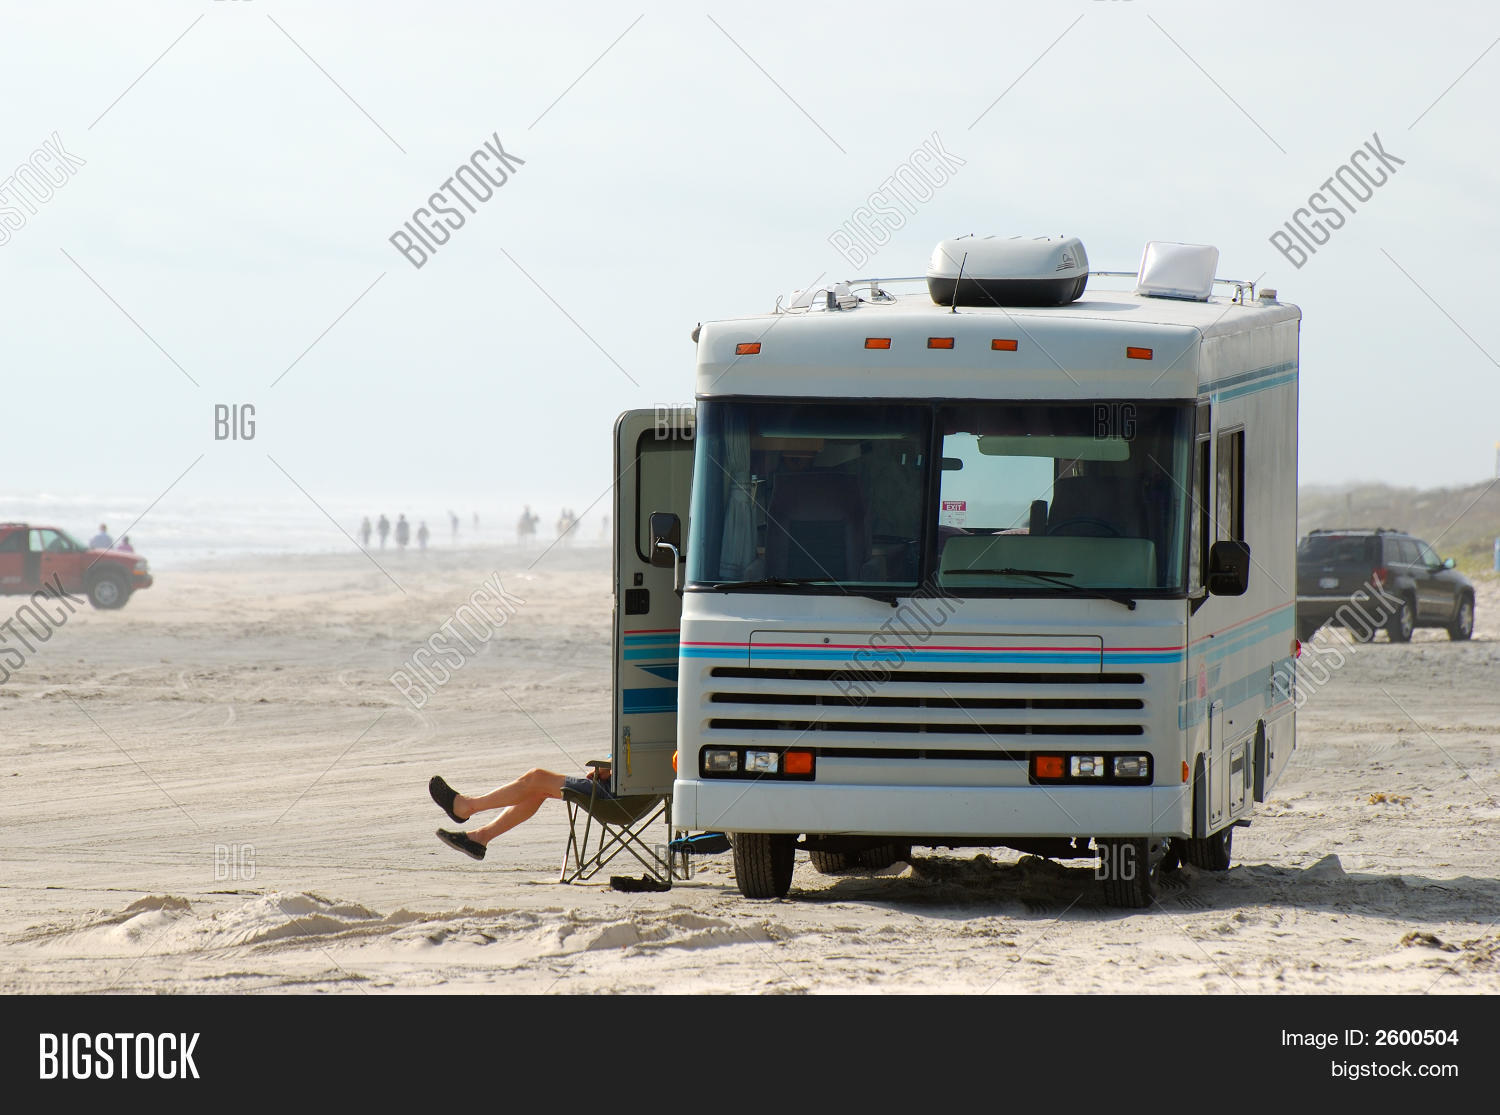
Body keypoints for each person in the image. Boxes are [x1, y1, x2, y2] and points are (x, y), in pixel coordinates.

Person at [428, 767, 614, 861]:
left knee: (537, 778)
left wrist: (611, 766)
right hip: (625, 790)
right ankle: (479, 838)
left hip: (617, 793)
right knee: (538, 788)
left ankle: (466, 807)